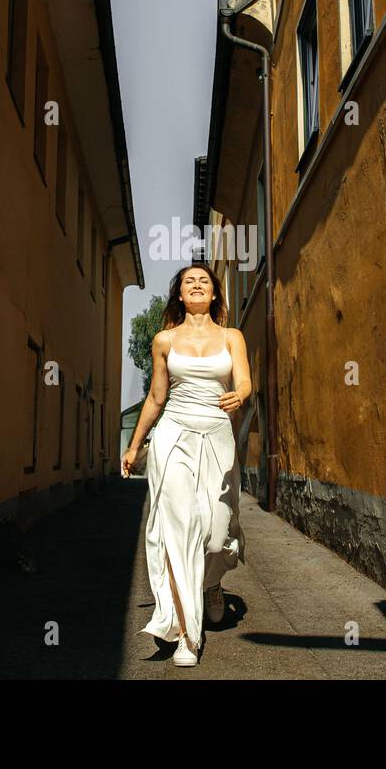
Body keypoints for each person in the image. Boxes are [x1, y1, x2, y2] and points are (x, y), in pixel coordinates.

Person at [122, 263, 251, 666]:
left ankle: (211, 583)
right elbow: (156, 397)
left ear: (214, 294)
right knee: (178, 531)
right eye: (188, 281)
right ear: (180, 294)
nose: (196, 285)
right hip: (173, 434)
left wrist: (241, 394)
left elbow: (245, 381)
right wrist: (135, 445)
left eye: (204, 281)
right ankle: (186, 635)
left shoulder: (232, 337)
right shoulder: (164, 340)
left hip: (216, 436)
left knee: (215, 535)